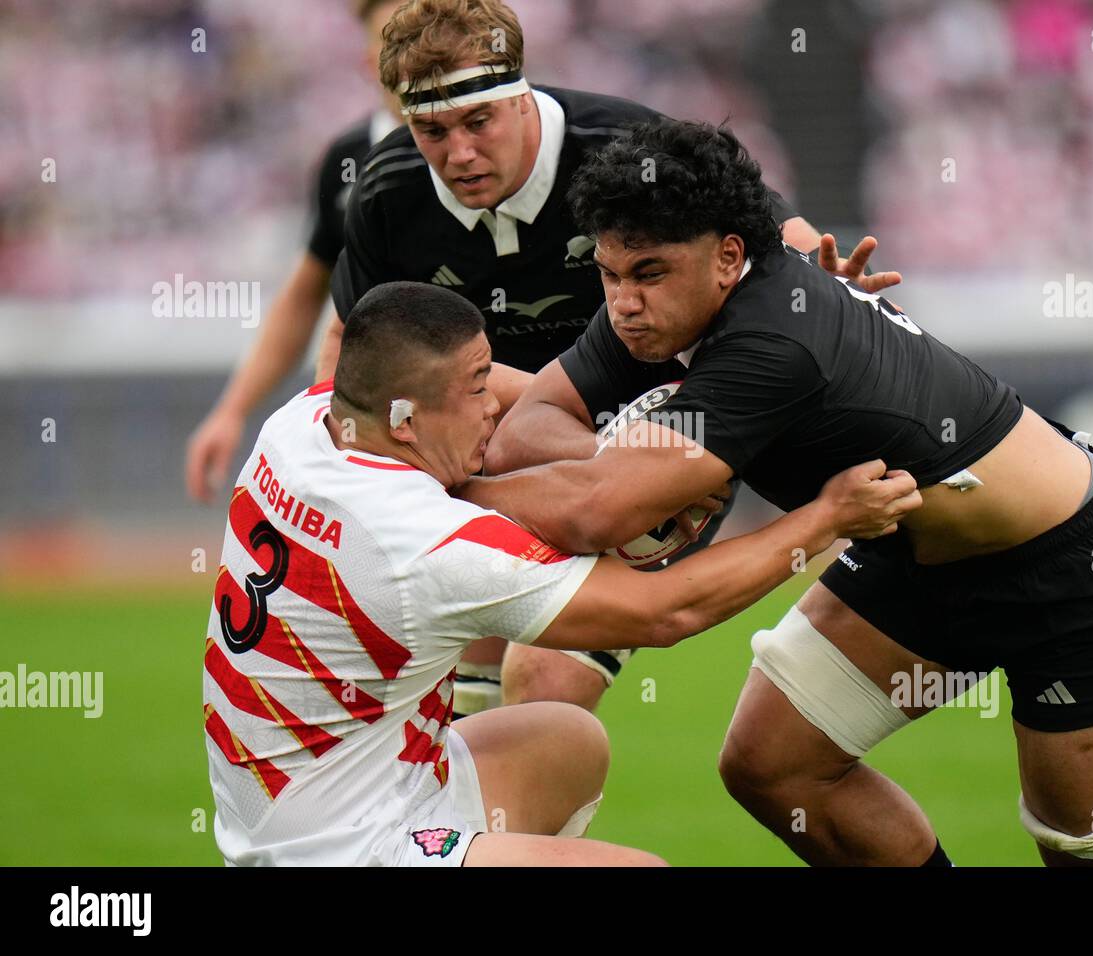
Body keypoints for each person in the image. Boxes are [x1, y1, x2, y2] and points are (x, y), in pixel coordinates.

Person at [465, 119, 1093, 867]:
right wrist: (633, 458)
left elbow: (598, 511)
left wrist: (455, 486)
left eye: (647, 274)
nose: (624, 305)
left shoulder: (772, 344)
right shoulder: (664, 309)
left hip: (1070, 565)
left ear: (728, 256)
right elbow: (531, 419)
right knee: (773, 767)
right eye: (608, 275)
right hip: (915, 552)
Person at [201, 280, 912, 867]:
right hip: (342, 851)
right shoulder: (430, 549)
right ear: (406, 419)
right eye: (477, 388)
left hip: (330, 794)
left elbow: (425, 492)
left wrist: (624, 454)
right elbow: (665, 612)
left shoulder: (302, 425)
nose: (495, 408)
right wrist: (826, 519)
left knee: (566, 743)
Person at [329, 0, 901, 711]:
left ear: (520, 92)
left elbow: (774, 239)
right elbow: (374, 360)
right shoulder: (387, 195)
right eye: (432, 130)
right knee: (449, 694)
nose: (459, 154)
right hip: (494, 436)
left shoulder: (628, 149)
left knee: (544, 682)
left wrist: (827, 286)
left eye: (479, 122)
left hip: (666, 428)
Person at [185, 0, 407, 504]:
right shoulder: (348, 161)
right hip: (375, 420)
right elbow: (305, 294)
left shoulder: (480, 153)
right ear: (369, 61)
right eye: (396, 40)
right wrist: (232, 410)